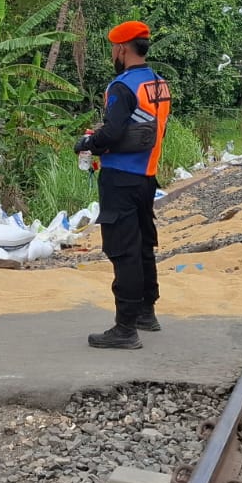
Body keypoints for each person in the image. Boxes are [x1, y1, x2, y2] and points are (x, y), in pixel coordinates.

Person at [74, 20, 172, 350]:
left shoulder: (122, 86)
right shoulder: (159, 84)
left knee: (123, 250)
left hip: (121, 178)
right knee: (143, 245)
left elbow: (114, 132)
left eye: (114, 49)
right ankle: (146, 312)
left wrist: (89, 142)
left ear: (121, 49)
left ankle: (125, 328)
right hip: (147, 176)